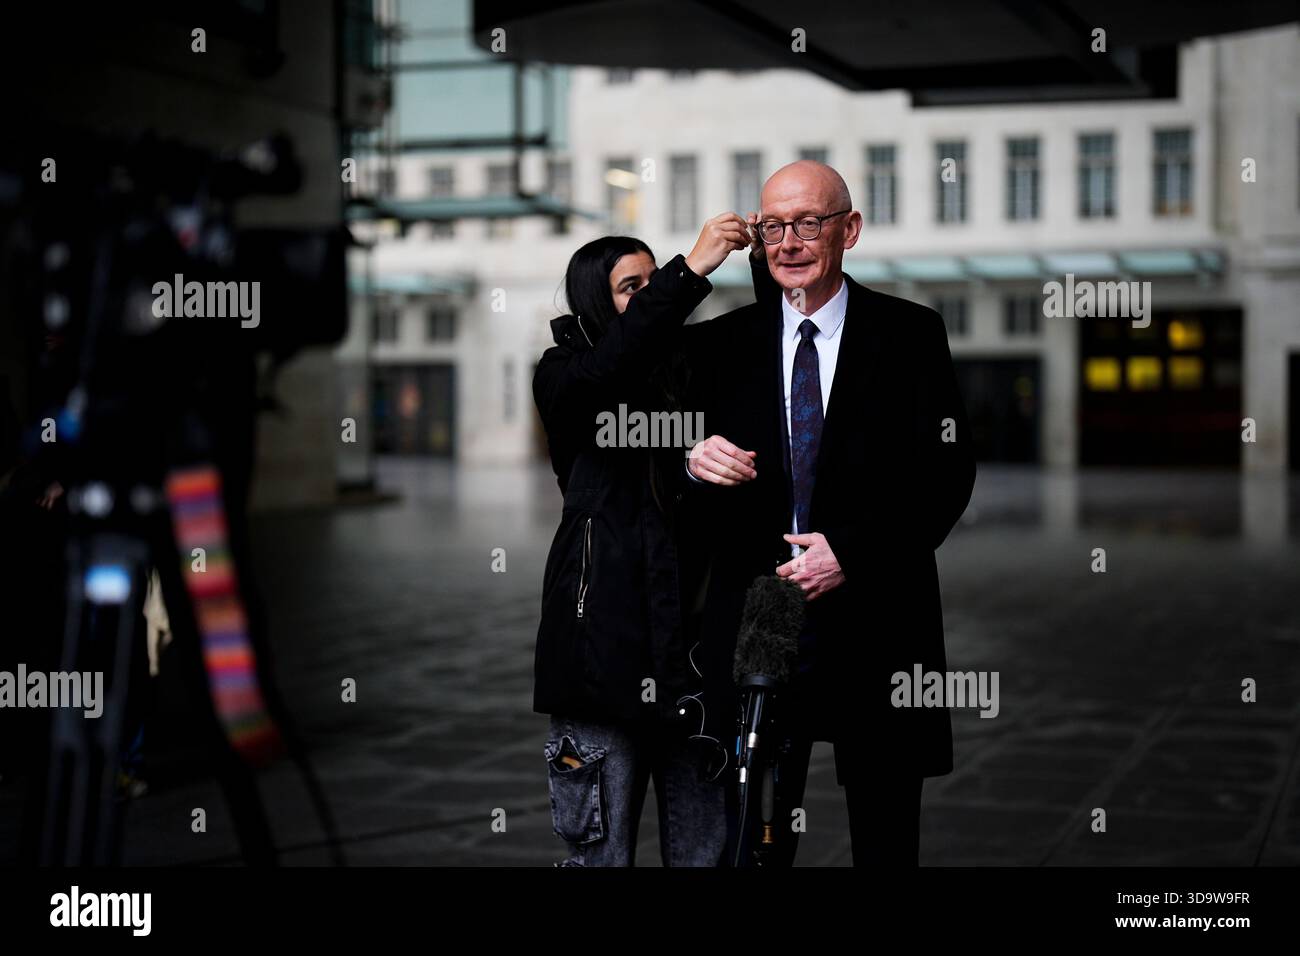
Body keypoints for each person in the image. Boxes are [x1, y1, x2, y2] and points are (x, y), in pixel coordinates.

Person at [682, 160, 976, 866]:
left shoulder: (910, 334)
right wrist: (688, 457)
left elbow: (946, 472)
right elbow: (642, 434)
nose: (789, 241)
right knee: (759, 832)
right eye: (773, 226)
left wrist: (850, 550)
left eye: (808, 223)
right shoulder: (722, 344)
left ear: (849, 229)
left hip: (878, 614)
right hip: (761, 620)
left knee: (884, 835)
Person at [532, 212, 752, 866]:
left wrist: (776, 252)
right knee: (599, 857)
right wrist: (689, 271)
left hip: (691, 667)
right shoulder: (565, 377)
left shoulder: (687, 369)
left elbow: (764, 337)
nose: (652, 295)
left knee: (705, 857)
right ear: (597, 301)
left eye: (656, 282)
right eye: (633, 287)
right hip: (601, 665)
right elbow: (609, 378)